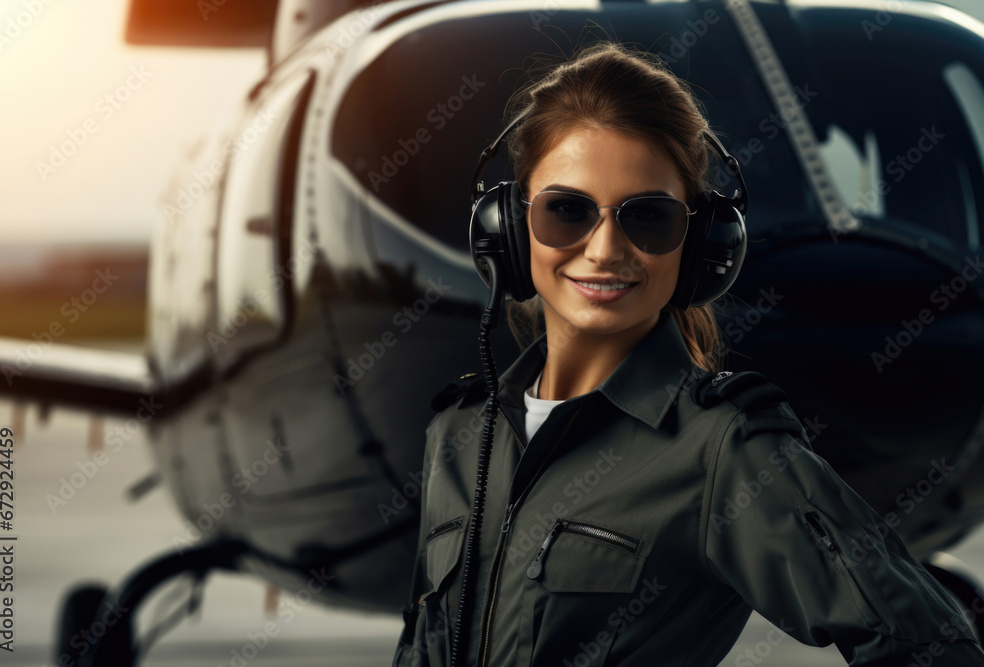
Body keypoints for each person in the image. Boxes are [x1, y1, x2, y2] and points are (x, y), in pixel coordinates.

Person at [392, 41, 984, 667]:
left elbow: (930, 645)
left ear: (701, 245)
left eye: (648, 217)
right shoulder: (459, 433)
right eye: (567, 210)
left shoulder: (724, 448)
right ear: (507, 228)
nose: (603, 249)